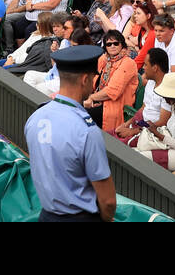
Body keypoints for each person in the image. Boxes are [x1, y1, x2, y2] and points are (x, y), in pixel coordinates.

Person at [24, 43, 116, 222]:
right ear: (84, 79)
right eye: (92, 78)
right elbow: (108, 201)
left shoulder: (35, 118)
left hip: (46, 216)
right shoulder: (86, 129)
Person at [136, 72, 175, 170]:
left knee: (142, 158)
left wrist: (159, 135)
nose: (164, 98)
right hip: (171, 146)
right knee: (135, 152)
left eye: (166, 95)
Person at [81, 30, 139, 132]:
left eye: (116, 43)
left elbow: (113, 91)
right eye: (109, 44)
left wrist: (91, 98)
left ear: (122, 44)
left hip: (114, 106)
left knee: (82, 117)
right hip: (98, 100)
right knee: (72, 107)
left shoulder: (128, 63)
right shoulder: (104, 59)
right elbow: (91, 79)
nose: (112, 46)